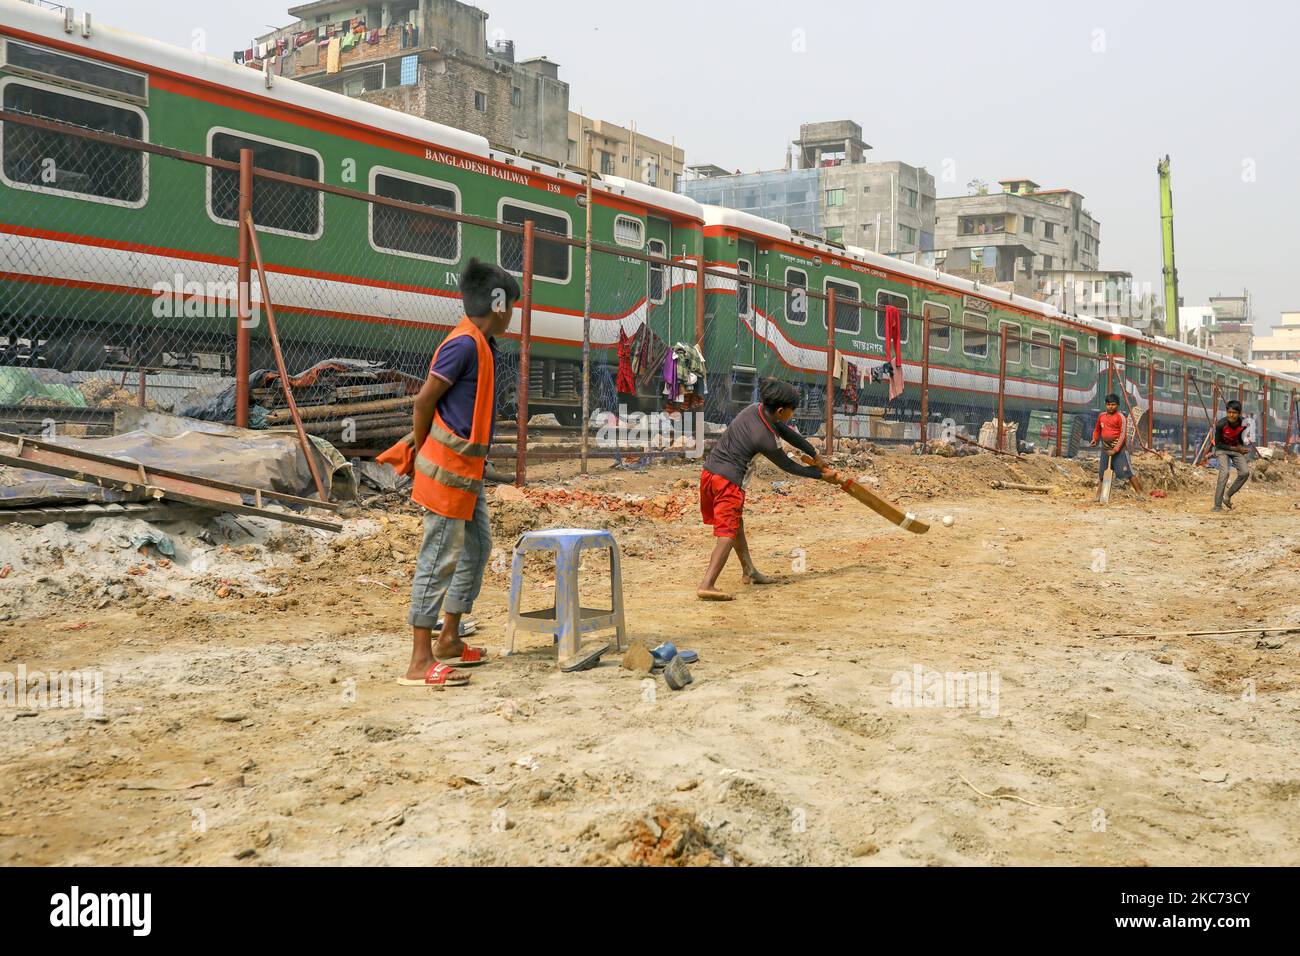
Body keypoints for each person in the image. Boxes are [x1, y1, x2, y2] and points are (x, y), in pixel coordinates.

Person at [379, 260, 518, 686]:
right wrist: (423, 452)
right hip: (446, 471)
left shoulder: (482, 344)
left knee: (477, 545)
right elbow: (423, 403)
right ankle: (419, 661)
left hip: (466, 473)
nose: (513, 312)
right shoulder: (462, 345)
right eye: (511, 304)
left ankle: (450, 639)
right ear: (498, 304)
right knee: (438, 557)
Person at [696, 378, 839, 600]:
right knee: (727, 532)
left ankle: (749, 572)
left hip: (710, 475)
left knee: (735, 523)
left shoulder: (756, 410)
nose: (792, 415)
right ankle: (707, 584)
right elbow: (789, 466)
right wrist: (821, 476)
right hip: (728, 482)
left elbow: (788, 432)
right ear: (781, 410)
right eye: (792, 411)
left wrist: (814, 454)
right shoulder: (764, 439)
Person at [1088, 393, 1130, 502]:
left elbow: (1122, 434)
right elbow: (1097, 430)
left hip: (1119, 449)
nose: (1110, 407)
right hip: (1106, 449)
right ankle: (1099, 495)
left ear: (1117, 405)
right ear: (1105, 405)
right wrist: (1095, 439)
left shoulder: (1120, 417)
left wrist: (1115, 449)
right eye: (1108, 404)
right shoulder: (1101, 416)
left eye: (1113, 404)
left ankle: (1140, 493)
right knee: (1102, 473)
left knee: (1126, 473)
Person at [1212, 399, 1251, 512]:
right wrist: (1235, 448)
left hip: (1236, 450)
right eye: (1229, 412)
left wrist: (1241, 447)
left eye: (1234, 413)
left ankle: (1227, 496)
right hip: (1222, 449)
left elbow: (1241, 440)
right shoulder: (1221, 424)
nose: (1231, 415)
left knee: (1245, 472)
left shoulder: (1244, 424)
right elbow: (1218, 443)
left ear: (1239, 413)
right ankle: (1217, 506)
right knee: (1224, 473)